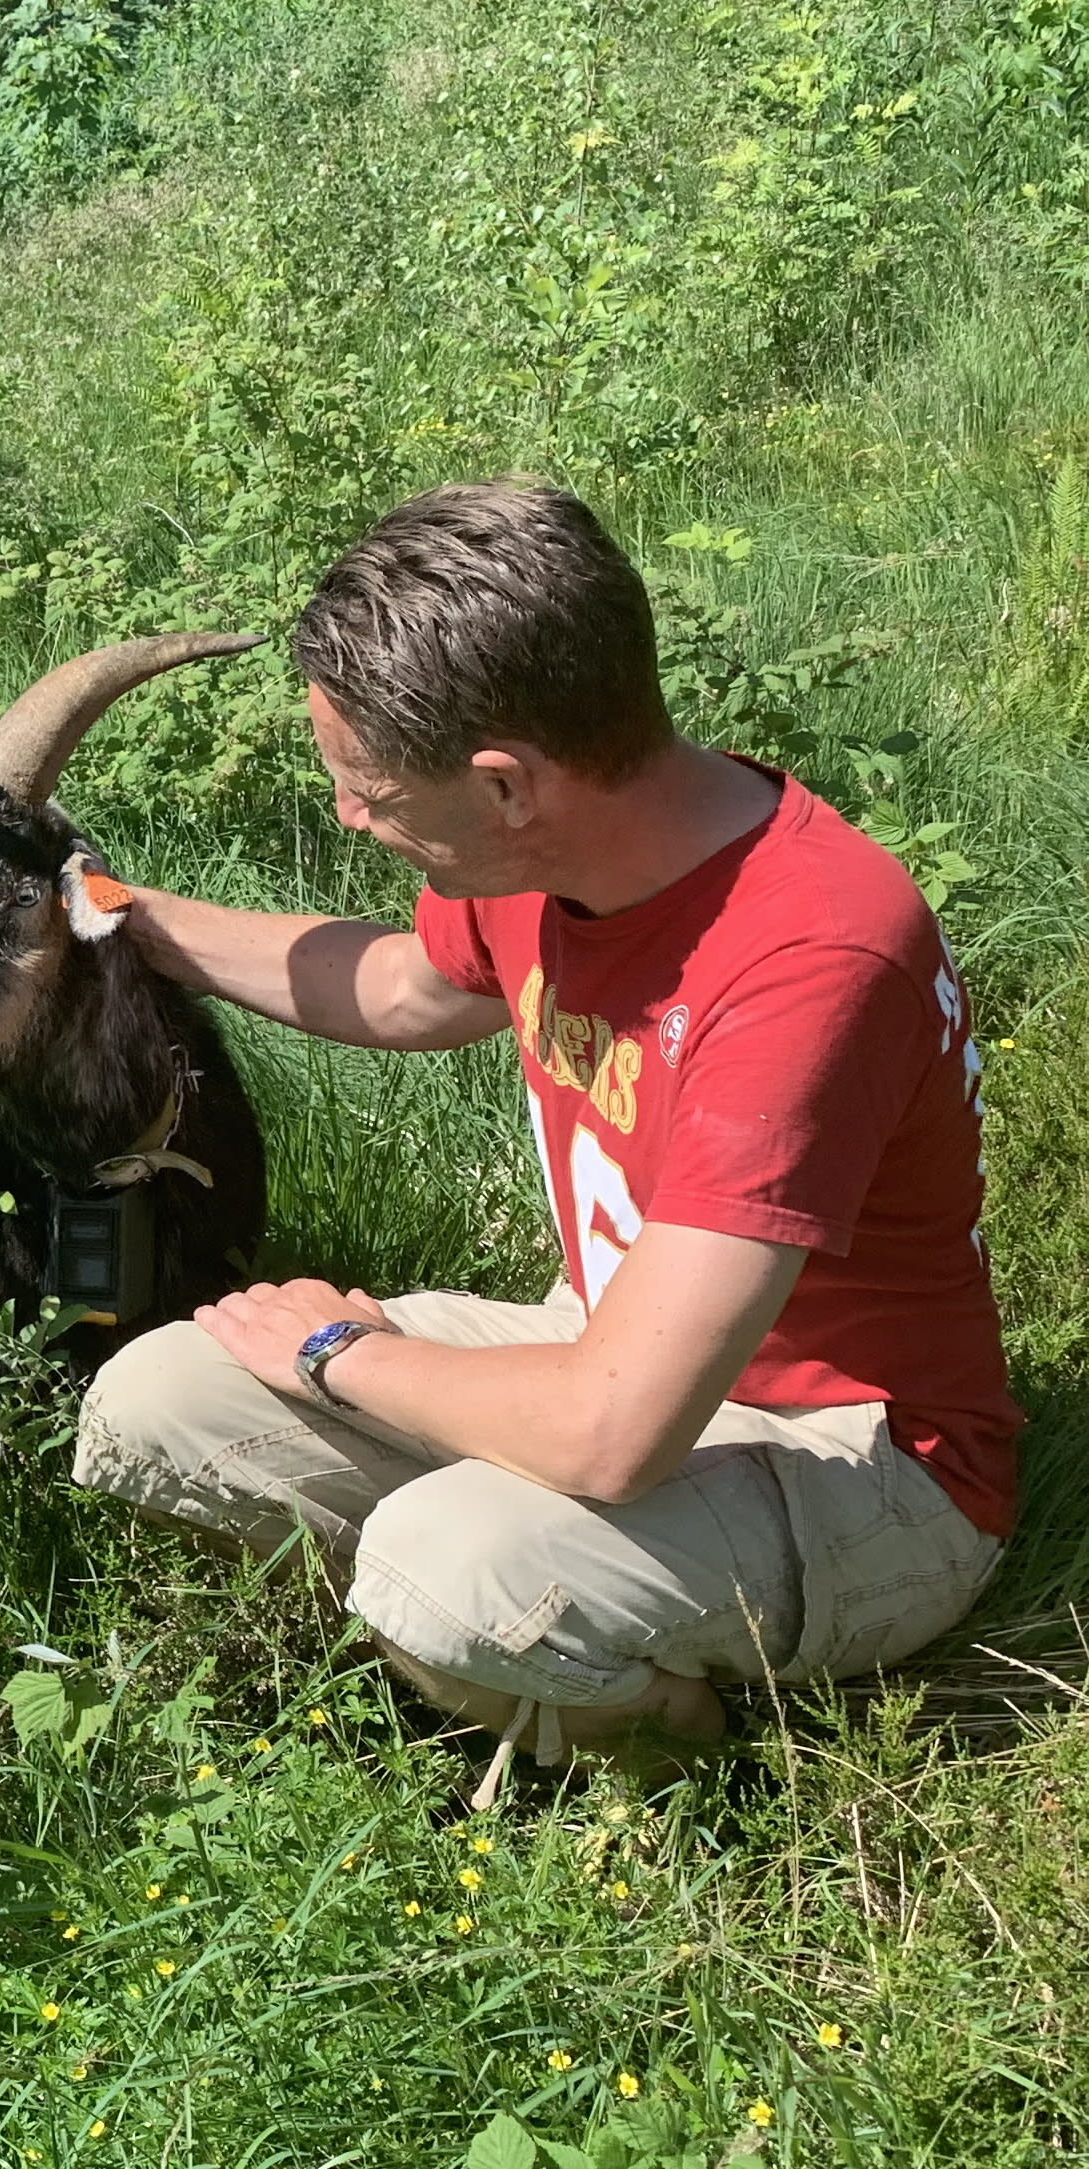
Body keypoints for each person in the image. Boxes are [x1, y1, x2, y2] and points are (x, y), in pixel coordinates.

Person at [76, 481, 1017, 1791]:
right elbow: (408, 986)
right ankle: (511, 1646)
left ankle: (690, 1772)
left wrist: (338, 1352)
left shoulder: (808, 958)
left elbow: (607, 1435)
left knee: (447, 1566)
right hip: (604, 1354)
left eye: (369, 792)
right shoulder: (553, 862)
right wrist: (110, 909)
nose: (349, 819)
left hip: (850, 1457)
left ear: (505, 783)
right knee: (160, 1397)